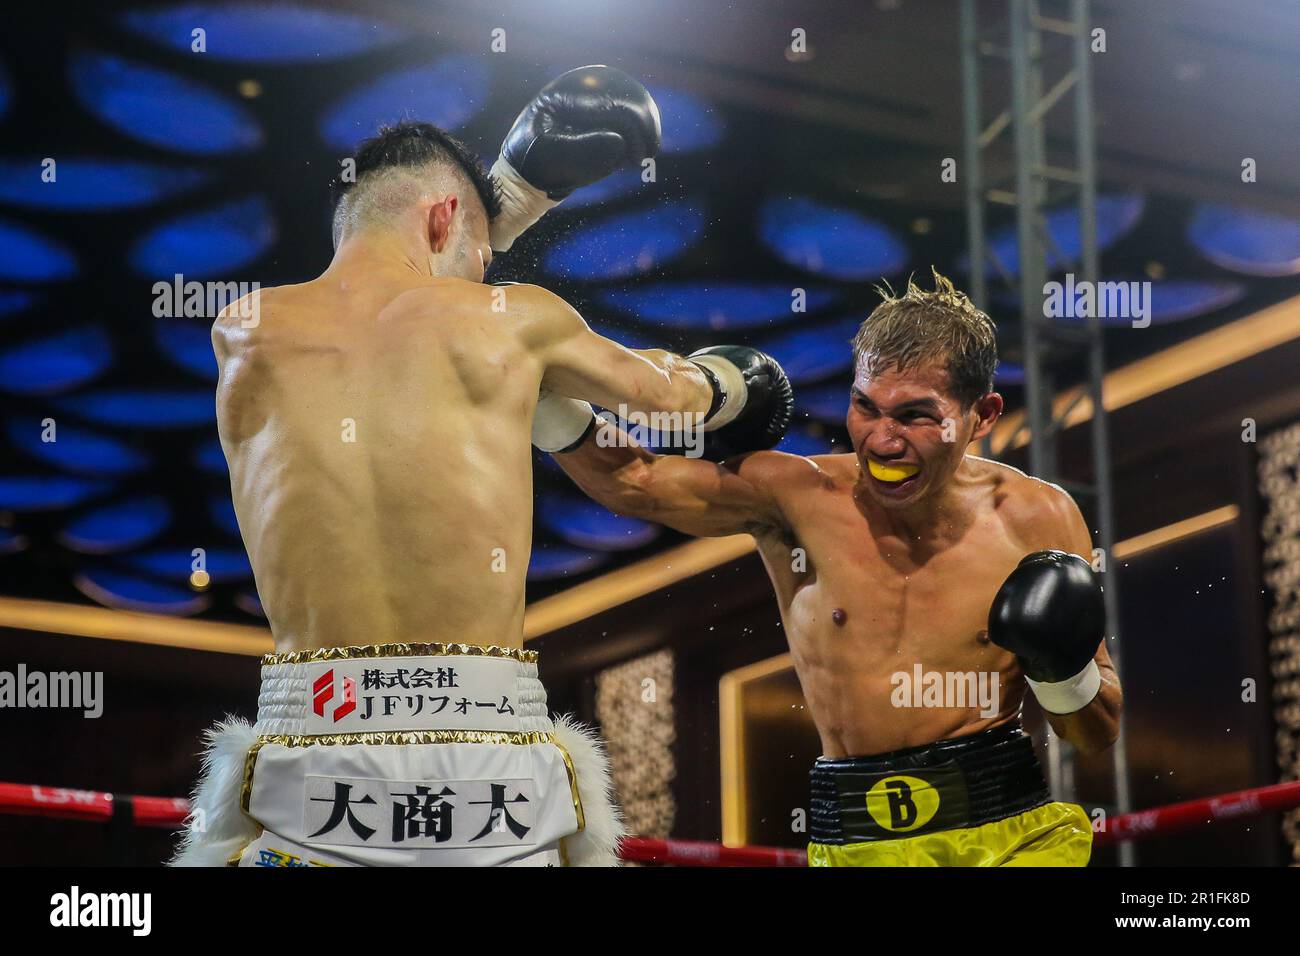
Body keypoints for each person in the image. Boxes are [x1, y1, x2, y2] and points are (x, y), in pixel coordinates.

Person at [171, 66, 793, 867]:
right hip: (484, 764)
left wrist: (492, 215)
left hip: (313, 749)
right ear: (442, 219)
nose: (483, 277)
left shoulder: (243, 331)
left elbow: (395, 338)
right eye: (480, 256)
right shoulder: (514, 323)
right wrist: (737, 383)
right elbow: (664, 396)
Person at [544, 269, 1122, 866]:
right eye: (866, 407)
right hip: (855, 846)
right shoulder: (799, 495)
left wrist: (1060, 669)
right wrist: (538, 391)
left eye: (915, 415)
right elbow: (635, 481)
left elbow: (1097, 732)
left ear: (983, 415)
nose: (882, 441)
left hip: (1013, 840)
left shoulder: (1037, 517)